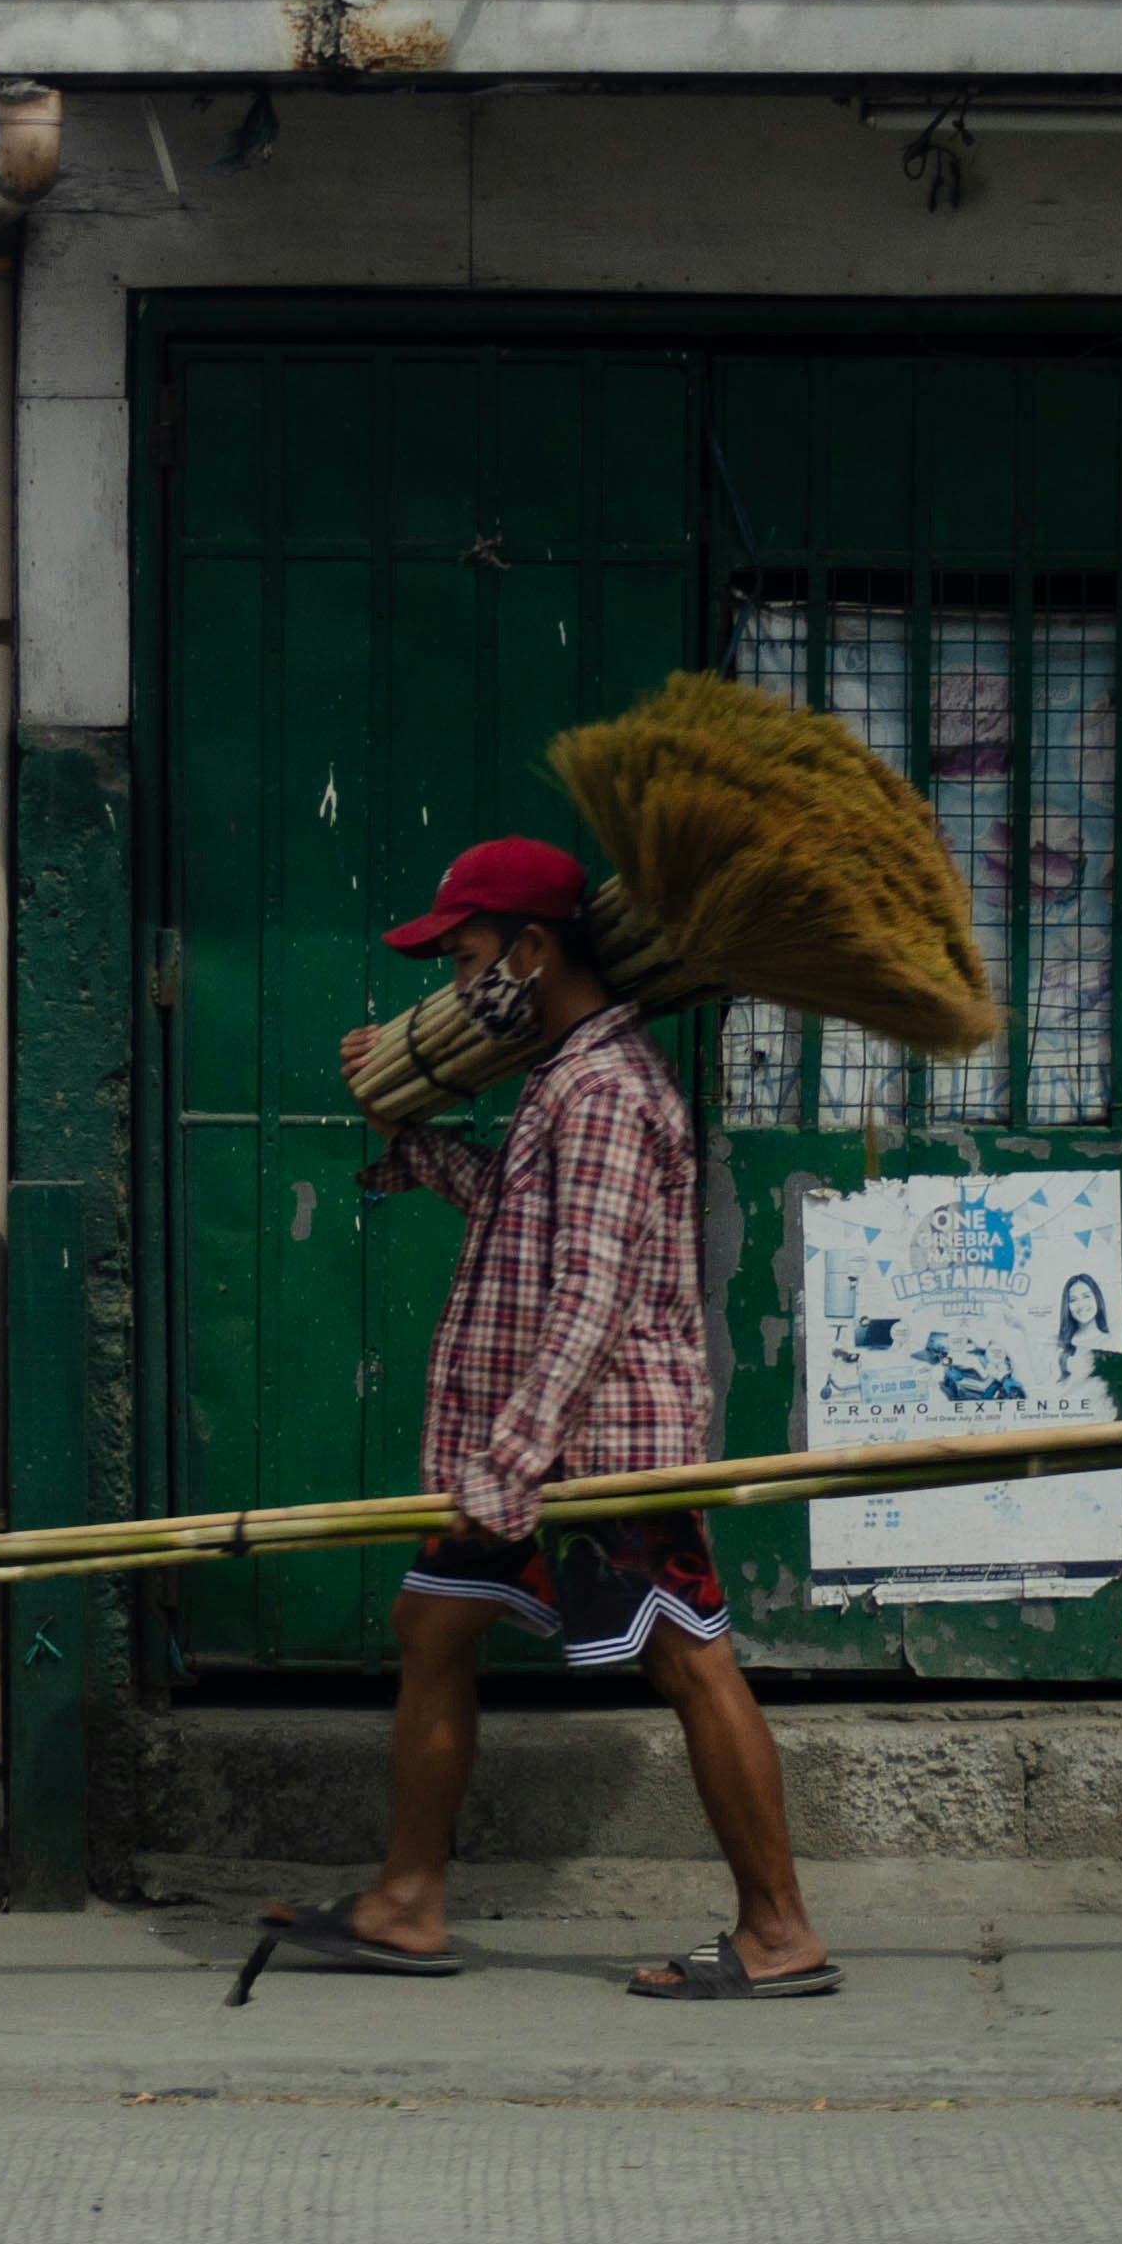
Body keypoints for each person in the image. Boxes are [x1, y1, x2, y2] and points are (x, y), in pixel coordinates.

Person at [257, 833, 840, 2003]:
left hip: (597, 1449)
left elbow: (592, 1291)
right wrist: (414, 1142)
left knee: (687, 1658)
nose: (459, 987)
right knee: (432, 1625)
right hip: (529, 1443)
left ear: (532, 949)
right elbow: (522, 1221)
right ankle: (407, 1901)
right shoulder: (562, 1076)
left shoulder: (611, 1089)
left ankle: (779, 1930)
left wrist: (509, 1461)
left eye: (468, 956)